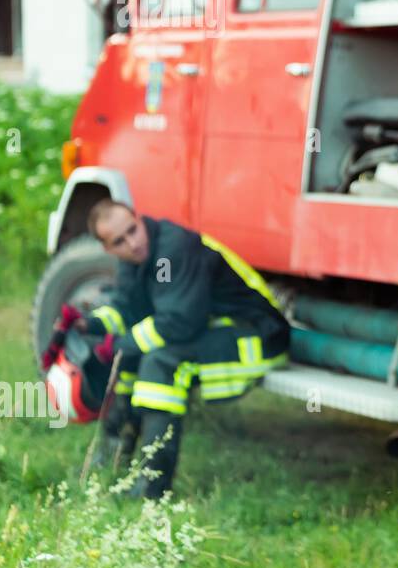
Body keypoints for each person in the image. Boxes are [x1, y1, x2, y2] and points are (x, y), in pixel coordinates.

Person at [43, 201, 290, 498]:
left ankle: (152, 486)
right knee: (130, 358)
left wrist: (116, 346)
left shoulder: (174, 248)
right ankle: (111, 459)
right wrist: (89, 325)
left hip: (256, 334)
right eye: (120, 241)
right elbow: (125, 310)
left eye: (133, 231)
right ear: (109, 250)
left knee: (161, 362)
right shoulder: (136, 259)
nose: (133, 244)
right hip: (213, 328)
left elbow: (178, 322)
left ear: (138, 218)